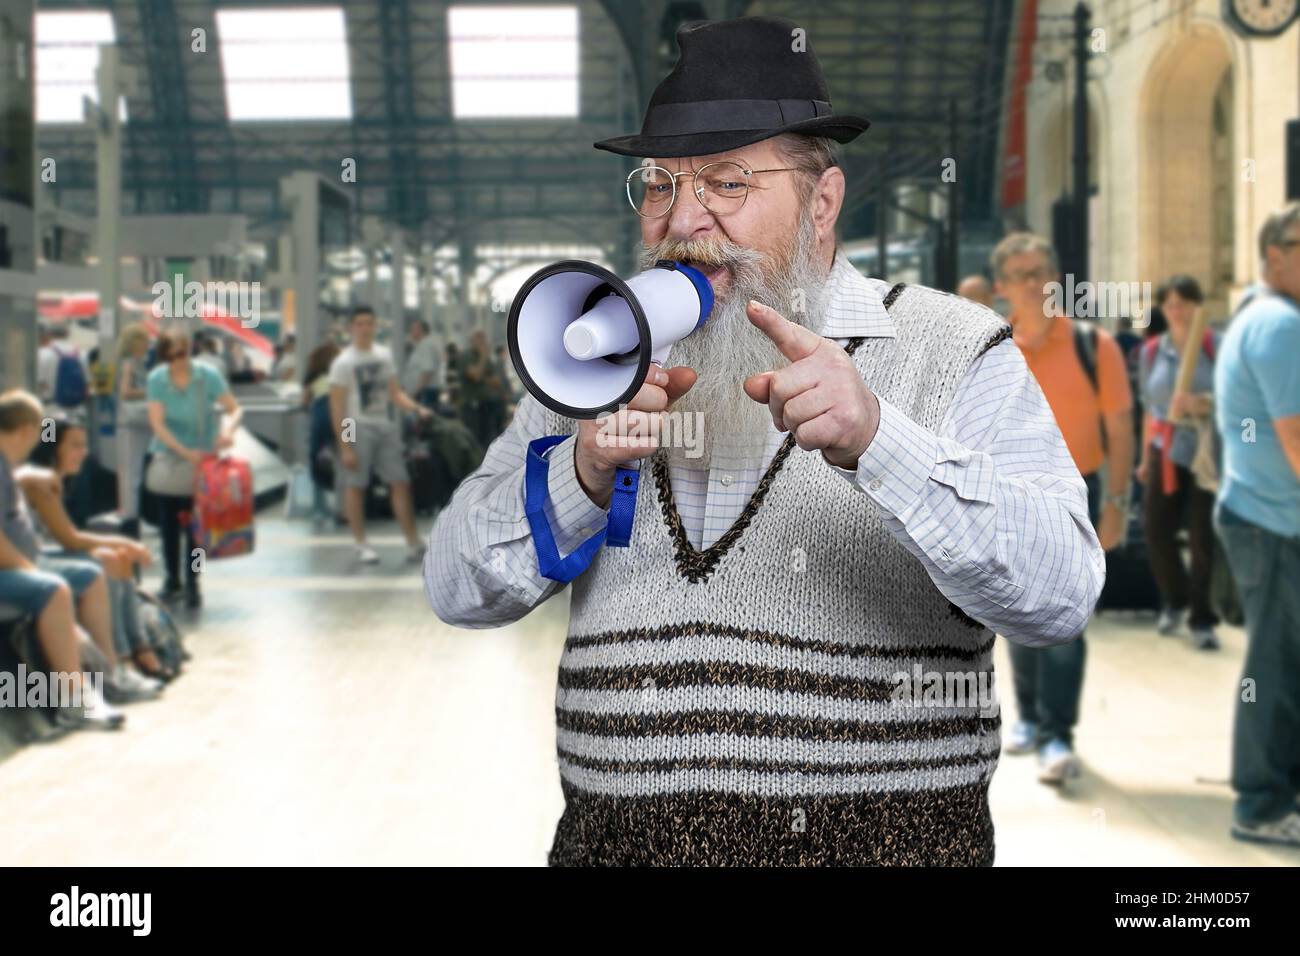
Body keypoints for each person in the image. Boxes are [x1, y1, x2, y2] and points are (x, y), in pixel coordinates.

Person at [425, 16, 1103, 866]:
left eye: (728, 181)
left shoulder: (951, 348)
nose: (685, 220)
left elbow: (1061, 590)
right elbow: (455, 582)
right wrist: (584, 470)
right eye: (661, 185)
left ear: (822, 203)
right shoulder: (593, 361)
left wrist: (881, 443)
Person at [991, 232, 1133, 786]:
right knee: (1020, 613)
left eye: (1042, 270)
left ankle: (1057, 734)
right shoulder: (994, 349)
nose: (1034, 282)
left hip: (1082, 490)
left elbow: (1121, 430)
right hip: (1013, 490)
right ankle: (1028, 720)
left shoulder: (1094, 347)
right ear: (1003, 286)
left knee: (1067, 619)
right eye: (1021, 274)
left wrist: (1118, 504)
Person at [1214, 203, 1300, 847]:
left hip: (1263, 515)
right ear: (1274, 256)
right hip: (1273, 522)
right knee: (1274, 663)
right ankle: (1263, 802)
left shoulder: (1266, 317)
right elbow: (1296, 439)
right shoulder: (1279, 323)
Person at [0, 391, 125, 729]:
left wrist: (26, 474)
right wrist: (33, 572)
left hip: (20, 564)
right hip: (10, 569)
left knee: (89, 574)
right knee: (54, 590)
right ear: (27, 429)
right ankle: (75, 699)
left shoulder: (8, 466)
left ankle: (109, 677)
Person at [19, 416, 173, 684]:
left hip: (42, 553)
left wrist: (122, 547)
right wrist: (125, 542)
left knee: (119, 560)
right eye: (75, 445)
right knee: (110, 559)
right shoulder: (41, 483)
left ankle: (140, 647)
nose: (84, 452)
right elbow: (71, 539)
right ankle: (121, 658)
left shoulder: (57, 479)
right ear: (53, 447)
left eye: (84, 445)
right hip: (32, 560)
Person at [1135, 275, 1220, 649]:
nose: (1176, 310)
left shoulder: (1216, 346)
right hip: (1162, 446)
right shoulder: (1152, 351)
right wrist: (1142, 458)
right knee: (1156, 529)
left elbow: (1237, 397)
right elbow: (1147, 408)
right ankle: (1176, 597)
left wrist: (1203, 403)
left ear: (1197, 306)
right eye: (1169, 304)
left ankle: (1202, 618)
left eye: (1183, 303)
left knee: (1203, 536)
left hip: (1206, 448)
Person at [145, 329, 243, 609]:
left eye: (184, 352)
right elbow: (158, 424)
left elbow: (234, 408)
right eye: (173, 354)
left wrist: (228, 431)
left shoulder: (207, 376)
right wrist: (186, 453)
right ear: (165, 355)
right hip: (171, 457)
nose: (180, 360)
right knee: (168, 525)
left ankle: (193, 581)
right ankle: (171, 578)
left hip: (204, 459)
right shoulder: (157, 380)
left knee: (197, 529)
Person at [328, 306, 432, 564]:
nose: (365, 328)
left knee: (400, 482)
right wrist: (346, 446)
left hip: (383, 425)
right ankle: (360, 543)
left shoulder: (384, 356)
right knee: (356, 485)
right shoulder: (343, 363)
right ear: (351, 327)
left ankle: (412, 541)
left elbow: (394, 393)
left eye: (369, 323)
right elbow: (338, 407)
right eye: (360, 323)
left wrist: (416, 408)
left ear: (375, 326)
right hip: (355, 425)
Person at [302, 340, 341, 530]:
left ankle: (319, 508)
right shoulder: (342, 372)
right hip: (345, 417)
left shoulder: (313, 375)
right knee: (348, 457)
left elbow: (304, 401)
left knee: (315, 459)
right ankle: (345, 507)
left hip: (321, 415)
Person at [116, 323, 152, 522]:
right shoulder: (130, 363)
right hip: (132, 421)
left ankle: (133, 514)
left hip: (136, 422)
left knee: (133, 471)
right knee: (132, 472)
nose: (147, 344)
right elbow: (125, 392)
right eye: (144, 340)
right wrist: (151, 391)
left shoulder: (137, 362)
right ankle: (130, 515)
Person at [401, 320, 443, 410]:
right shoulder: (421, 345)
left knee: (422, 422)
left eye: (412, 329)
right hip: (423, 392)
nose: (410, 332)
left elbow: (427, 372)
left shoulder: (426, 345)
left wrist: (414, 394)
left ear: (420, 331)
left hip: (425, 393)